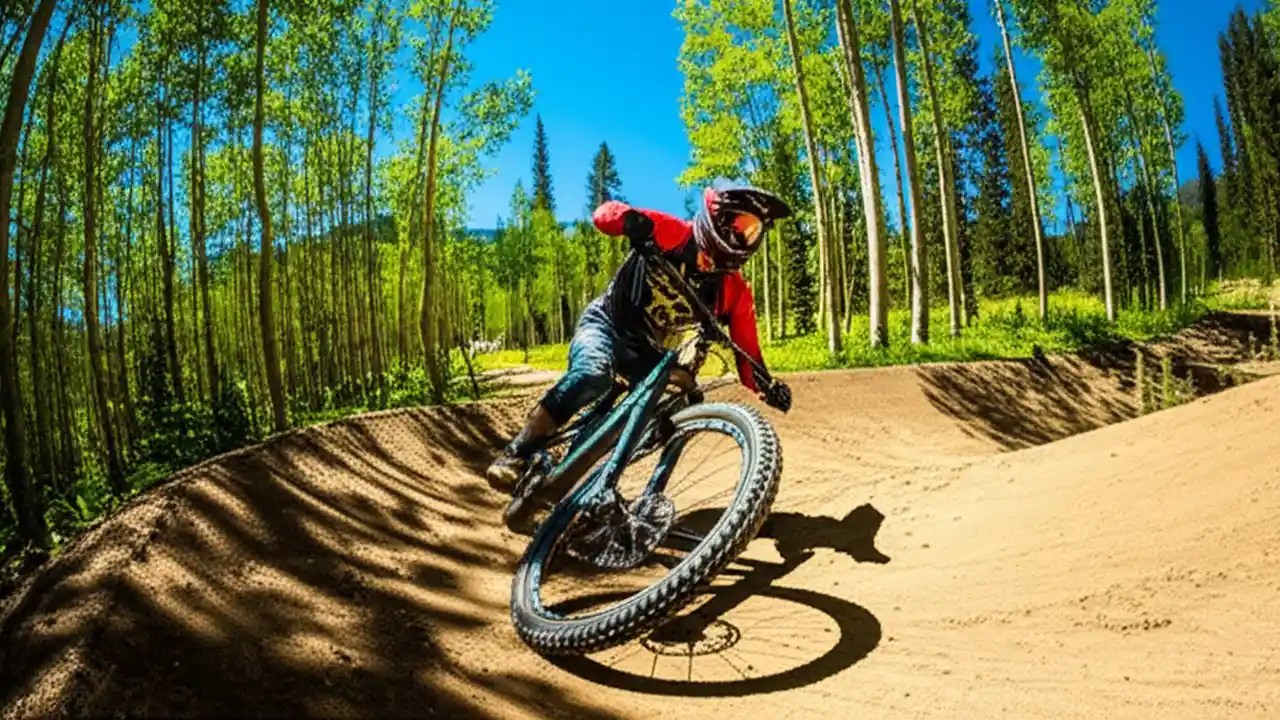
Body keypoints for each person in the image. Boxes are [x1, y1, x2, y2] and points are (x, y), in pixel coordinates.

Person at [485, 185, 794, 492]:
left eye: (753, 233)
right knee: (593, 375)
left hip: (648, 353)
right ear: (719, 217)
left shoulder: (733, 291)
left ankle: (590, 478)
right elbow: (604, 215)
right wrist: (629, 221)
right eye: (741, 226)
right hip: (606, 324)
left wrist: (767, 386)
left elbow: (747, 353)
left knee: (679, 396)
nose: (744, 238)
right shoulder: (675, 234)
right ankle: (516, 453)